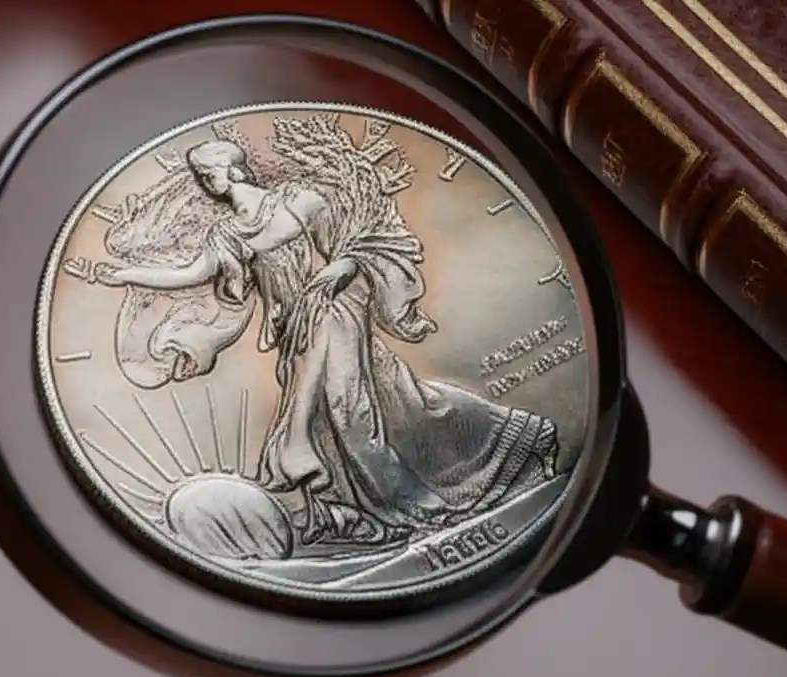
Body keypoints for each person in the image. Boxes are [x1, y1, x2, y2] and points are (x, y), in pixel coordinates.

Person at [95, 133, 558, 546]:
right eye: (200, 175)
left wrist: (342, 267)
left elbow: (360, 238)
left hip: (334, 310)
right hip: (293, 334)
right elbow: (190, 274)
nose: (205, 181)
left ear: (232, 168)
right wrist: (127, 275)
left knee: (346, 410)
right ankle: (512, 440)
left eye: (208, 171)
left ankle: (409, 504)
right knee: (399, 404)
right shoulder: (228, 233)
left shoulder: (297, 199)